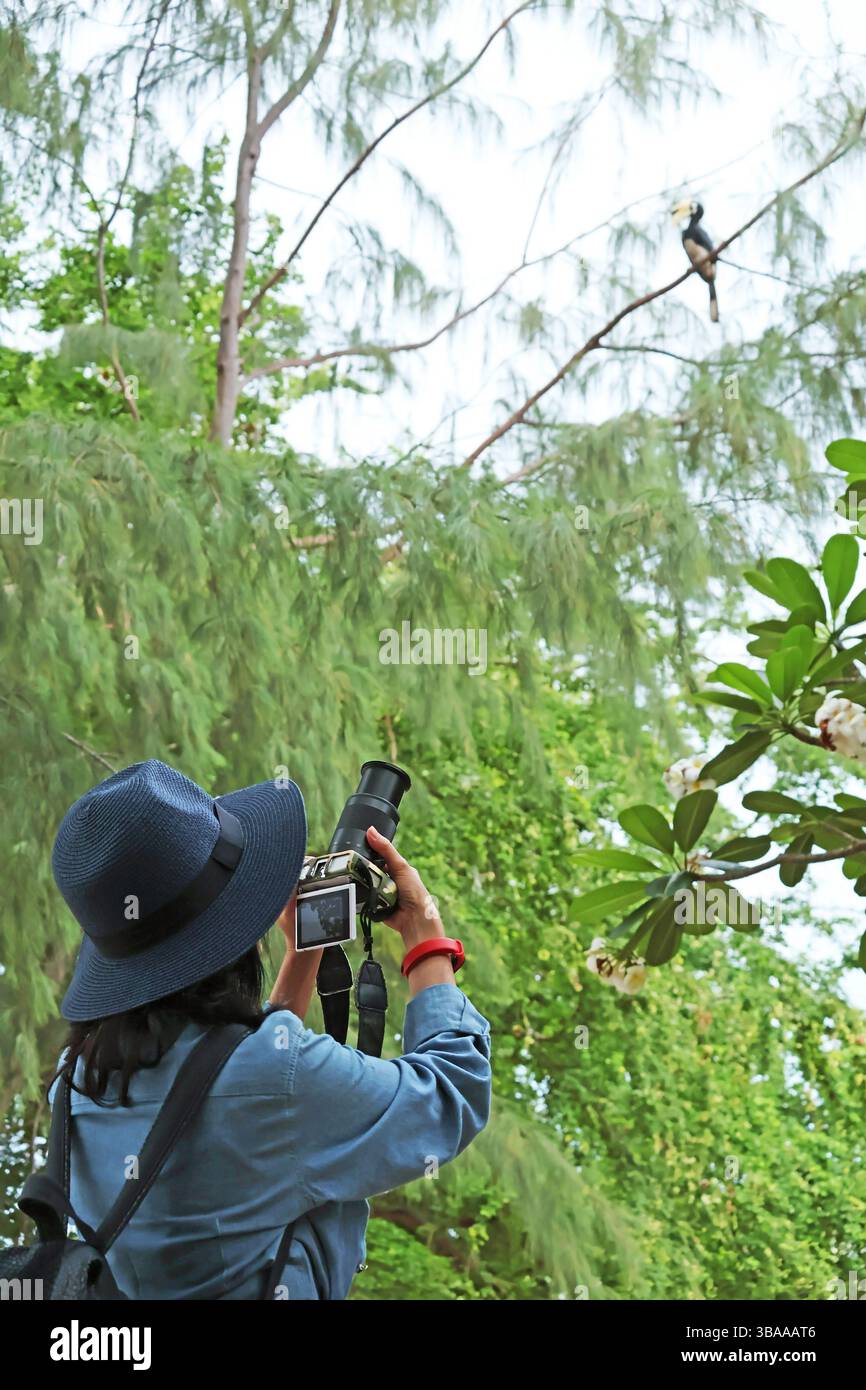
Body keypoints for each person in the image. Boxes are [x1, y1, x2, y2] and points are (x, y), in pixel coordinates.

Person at [47, 758, 492, 1299]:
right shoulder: (272, 1077)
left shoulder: (75, 1085)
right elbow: (451, 1096)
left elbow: (231, 1102)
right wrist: (425, 933)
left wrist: (303, 955)